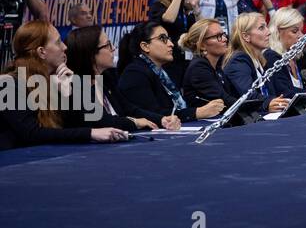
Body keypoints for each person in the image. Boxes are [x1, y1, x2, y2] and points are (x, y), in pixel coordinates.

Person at [0, 21, 131, 149]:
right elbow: (32, 133)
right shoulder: (8, 84)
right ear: (41, 52)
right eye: (58, 42)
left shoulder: (55, 80)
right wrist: (90, 133)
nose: (64, 47)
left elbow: (88, 122)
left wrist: (70, 94)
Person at [114, 21, 226, 125]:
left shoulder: (162, 72)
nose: (171, 44)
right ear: (145, 46)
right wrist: (198, 112)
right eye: (163, 39)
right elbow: (153, 115)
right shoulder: (135, 74)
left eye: (168, 38)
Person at [63, 25, 159, 132]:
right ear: (91, 53)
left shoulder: (106, 77)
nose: (113, 48)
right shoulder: (76, 83)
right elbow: (101, 121)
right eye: (107, 45)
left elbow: (129, 109)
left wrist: (162, 119)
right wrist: (134, 122)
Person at [223, 13, 291, 112]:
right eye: (261, 28)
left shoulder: (259, 59)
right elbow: (248, 95)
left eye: (266, 26)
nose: (268, 32)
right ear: (246, 36)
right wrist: (268, 103)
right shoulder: (238, 60)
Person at [180, 17, 240, 106]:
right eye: (218, 36)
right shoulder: (198, 68)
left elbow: (233, 95)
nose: (225, 39)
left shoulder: (215, 65)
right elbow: (225, 100)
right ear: (202, 45)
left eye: (224, 34)